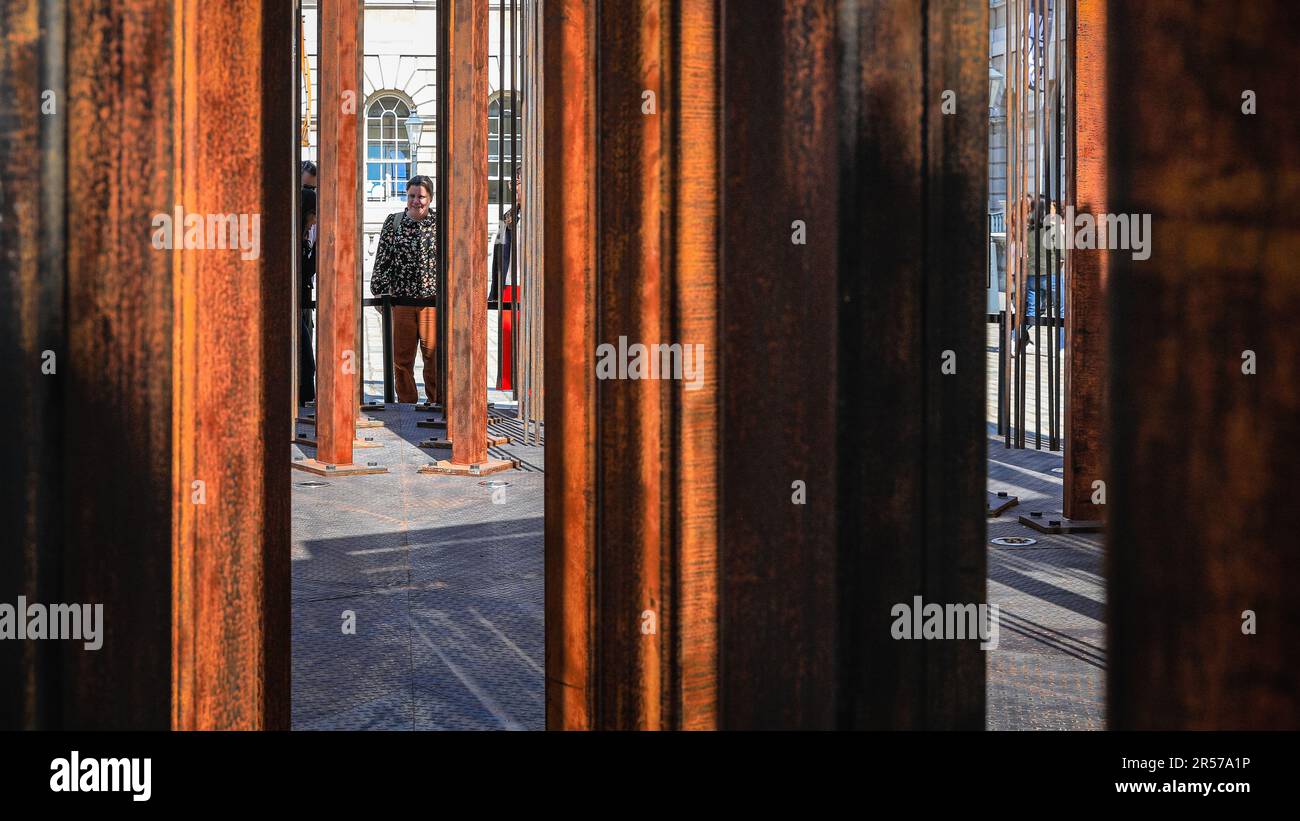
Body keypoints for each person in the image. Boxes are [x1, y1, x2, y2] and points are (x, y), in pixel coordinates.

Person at [370, 175, 439, 404]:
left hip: (431, 301)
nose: (415, 201)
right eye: (411, 196)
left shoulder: (439, 222)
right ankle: (407, 403)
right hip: (402, 300)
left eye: (421, 196)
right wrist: (379, 290)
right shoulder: (394, 222)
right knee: (401, 358)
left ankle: (435, 401)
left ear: (429, 198)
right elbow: (382, 258)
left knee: (434, 355)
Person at [299, 161, 319, 404]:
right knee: (306, 360)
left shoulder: (304, 235)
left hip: (303, 301)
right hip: (295, 303)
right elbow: (304, 269)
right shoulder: (296, 236)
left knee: (306, 359)